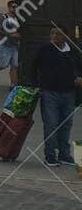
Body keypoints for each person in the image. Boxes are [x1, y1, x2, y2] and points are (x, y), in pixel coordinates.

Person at [34, 27, 79, 167]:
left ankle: (65, 155)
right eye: (52, 33)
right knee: (51, 124)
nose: (54, 36)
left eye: (58, 34)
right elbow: (33, 66)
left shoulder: (72, 51)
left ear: (65, 36)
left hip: (69, 92)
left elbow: (78, 67)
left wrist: (78, 77)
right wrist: (35, 84)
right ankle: (50, 155)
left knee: (66, 125)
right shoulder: (45, 49)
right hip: (50, 92)